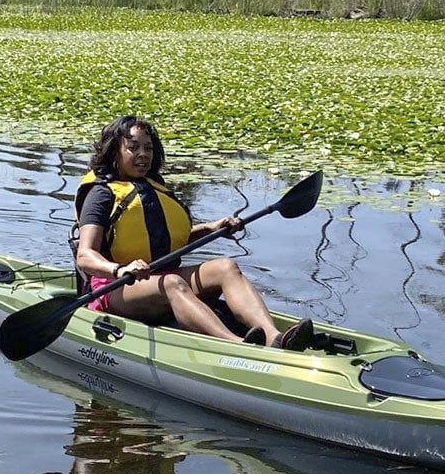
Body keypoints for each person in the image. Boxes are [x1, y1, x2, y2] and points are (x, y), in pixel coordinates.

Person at [74, 114, 314, 350]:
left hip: (159, 277)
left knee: (225, 267)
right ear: (114, 151)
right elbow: (85, 256)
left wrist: (209, 228)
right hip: (114, 288)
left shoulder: (153, 186)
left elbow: (163, 241)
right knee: (172, 283)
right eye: (133, 147)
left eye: (148, 148)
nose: (143, 154)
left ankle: (274, 338)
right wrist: (120, 269)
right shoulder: (101, 194)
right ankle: (238, 346)